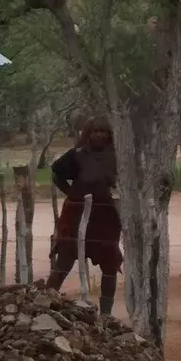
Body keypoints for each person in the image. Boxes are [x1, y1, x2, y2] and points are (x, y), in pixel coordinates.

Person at [46, 117, 122, 315]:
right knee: (65, 258)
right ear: (87, 133)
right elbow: (56, 174)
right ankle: (44, 303)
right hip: (77, 214)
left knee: (110, 264)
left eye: (102, 131)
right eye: (94, 131)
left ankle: (106, 314)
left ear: (109, 135)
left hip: (106, 217)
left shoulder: (118, 156)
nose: (98, 134)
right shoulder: (77, 156)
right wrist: (73, 195)